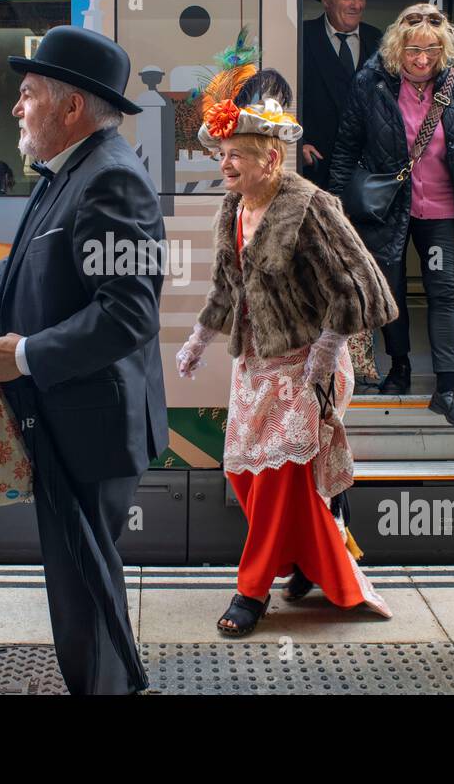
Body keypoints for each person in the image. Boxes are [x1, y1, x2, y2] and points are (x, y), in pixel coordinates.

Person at [0, 26, 167, 695]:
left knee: (85, 601)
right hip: (72, 419)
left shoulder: (112, 183)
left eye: (28, 94)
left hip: (92, 426)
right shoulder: (71, 174)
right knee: (85, 591)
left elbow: (129, 314)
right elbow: (22, 275)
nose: (16, 109)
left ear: (71, 107)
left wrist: (29, 355)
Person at [176, 84, 397, 637]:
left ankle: (251, 591)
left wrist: (327, 349)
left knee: (277, 479)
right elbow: (228, 288)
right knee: (245, 476)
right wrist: (200, 337)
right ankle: (305, 559)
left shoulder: (311, 205)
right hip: (254, 365)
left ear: (269, 158)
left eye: (234, 154)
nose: (223, 163)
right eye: (220, 153)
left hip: (309, 363)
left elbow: (362, 286)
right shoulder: (232, 207)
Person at [328, 3, 454, 429]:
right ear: (396, 47)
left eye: (432, 52)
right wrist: (336, 209)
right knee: (391, 292)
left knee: (444, 293)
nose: (422, 60)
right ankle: (399, 367)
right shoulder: (370, 84)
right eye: (413, 51)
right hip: (387, 206)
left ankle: (447, 388)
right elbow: (345, 149)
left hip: (441, 208)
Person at [299, 0, 381, 189]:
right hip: (316, 168)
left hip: (365, 174)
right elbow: (282, 99)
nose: (357, 4)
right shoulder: (301, 38)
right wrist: (298, 143)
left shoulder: (378, 40)